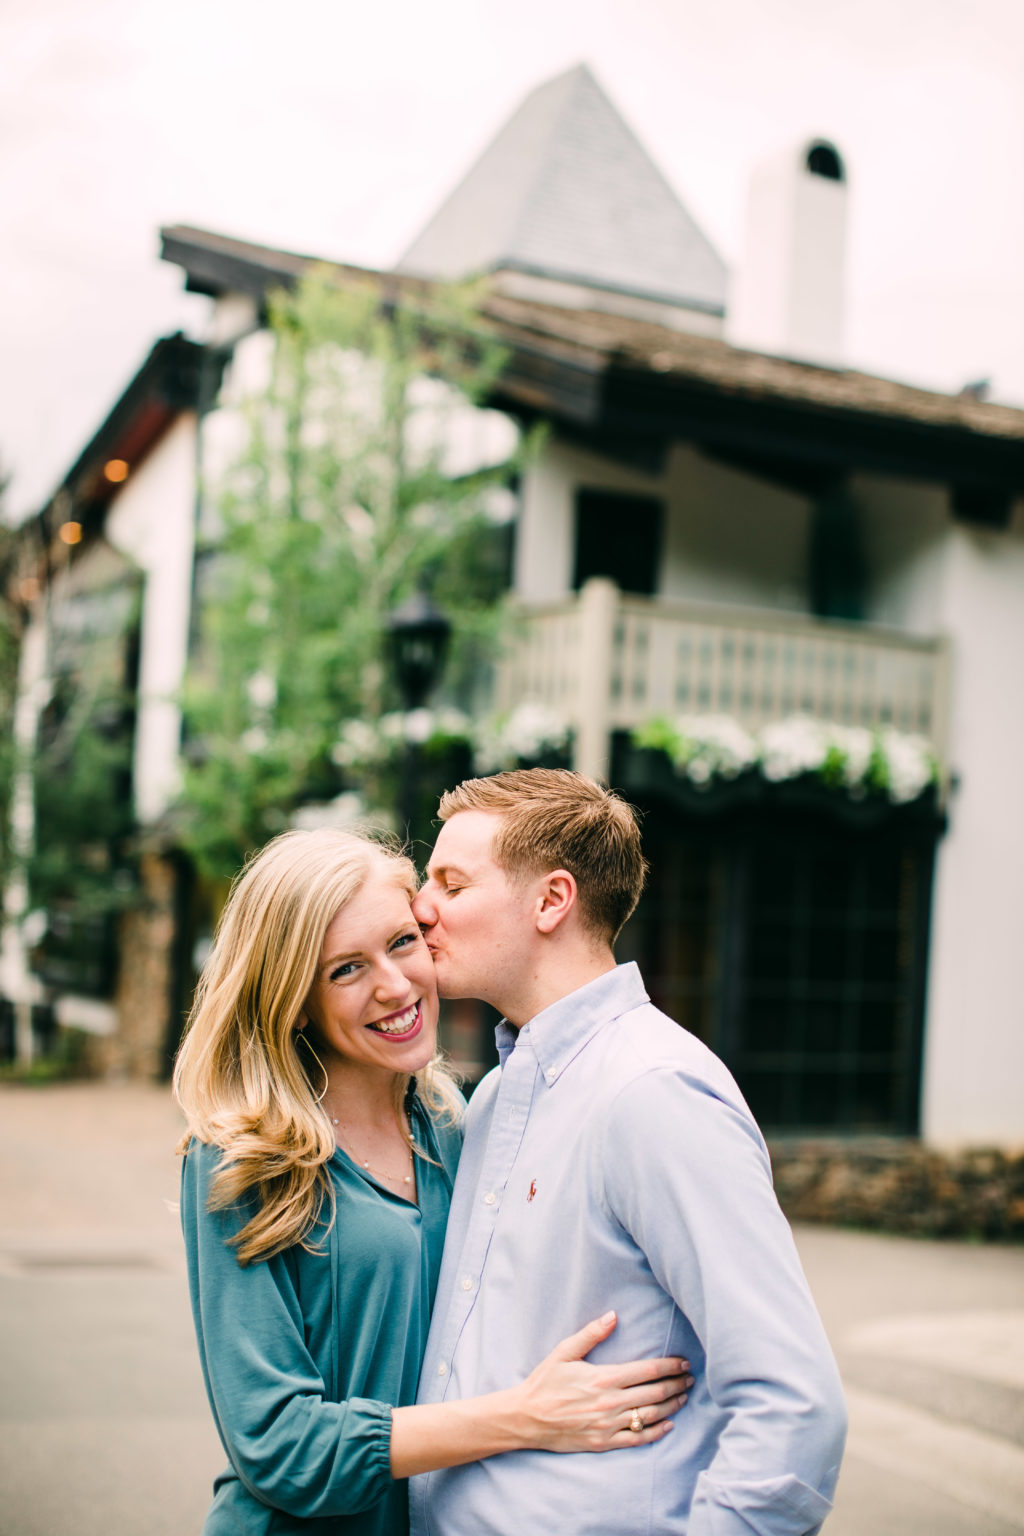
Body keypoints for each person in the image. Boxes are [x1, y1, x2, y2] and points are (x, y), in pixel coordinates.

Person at [174, 827, 692, 1536]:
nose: (395, 986)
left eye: (401, 942)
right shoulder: (241, 1157)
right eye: (345, 970)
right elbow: (279, 1447)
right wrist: (524, 1417)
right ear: (294, 998)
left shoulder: (461, 1128)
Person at [409, 769, 848, 1536]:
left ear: (552, 900)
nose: (421, 907)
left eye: (450, 882)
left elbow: (794, 1405)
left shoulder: (653, 1094)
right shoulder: (494, 1099)